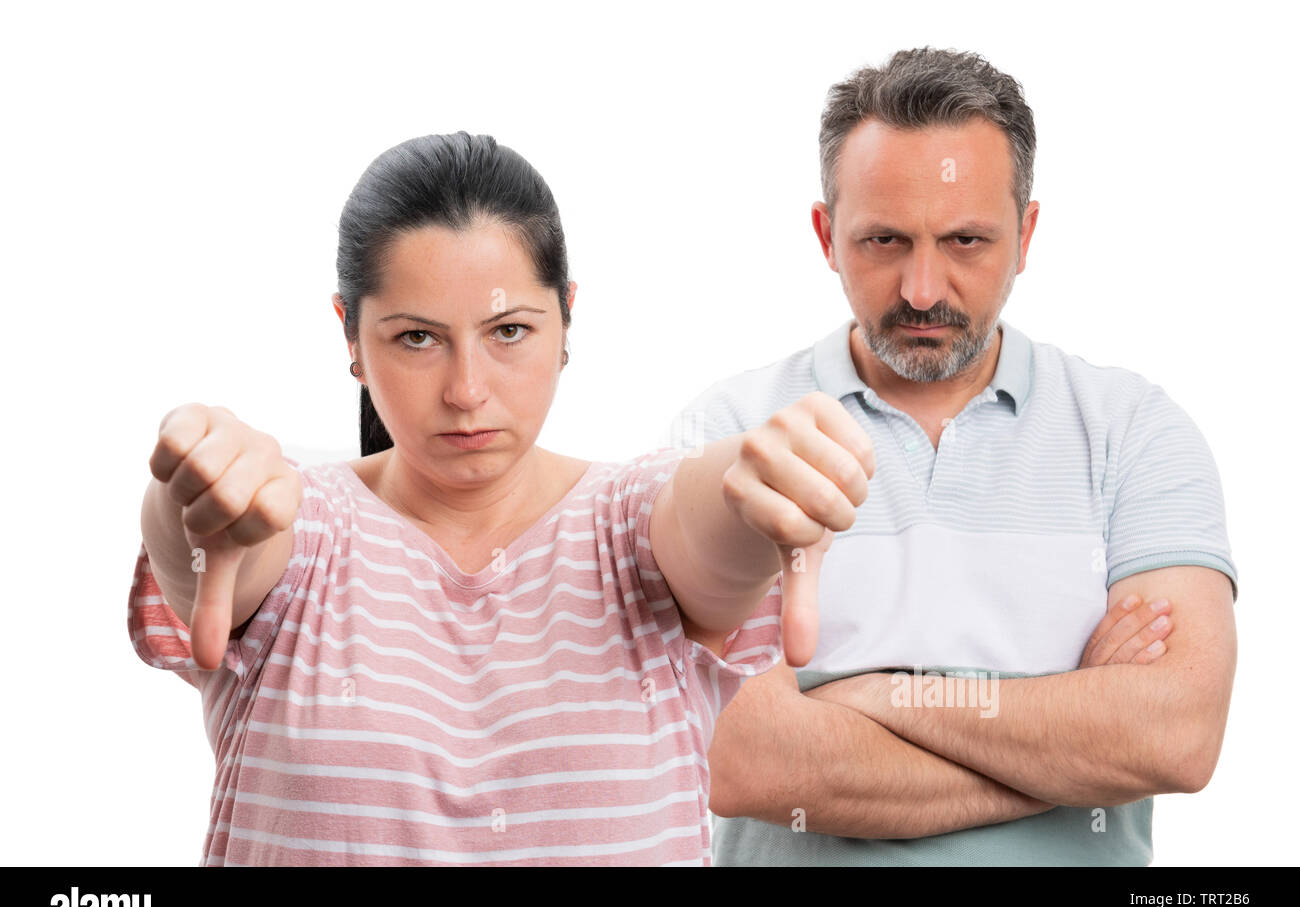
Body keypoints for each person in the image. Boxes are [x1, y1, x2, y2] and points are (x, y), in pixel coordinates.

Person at [128, 131, 876, 866]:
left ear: (566, 320)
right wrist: (192, 487)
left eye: (509, 330)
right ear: (350, 335)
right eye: (417, 338)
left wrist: (758, 480)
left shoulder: (630, 530)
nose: (467, 390)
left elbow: (705, 515)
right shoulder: (295, 528)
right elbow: (214, 550)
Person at [661, 47, 1239, 865]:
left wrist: (871, 694)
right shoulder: (727, 429)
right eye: (885, 240)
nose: (924, 288)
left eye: (966, 240)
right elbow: (739, 758)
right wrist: (1074, 743)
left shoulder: (1133, 431)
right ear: (827, 235)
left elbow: (1176, 735)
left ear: (1027, 234)